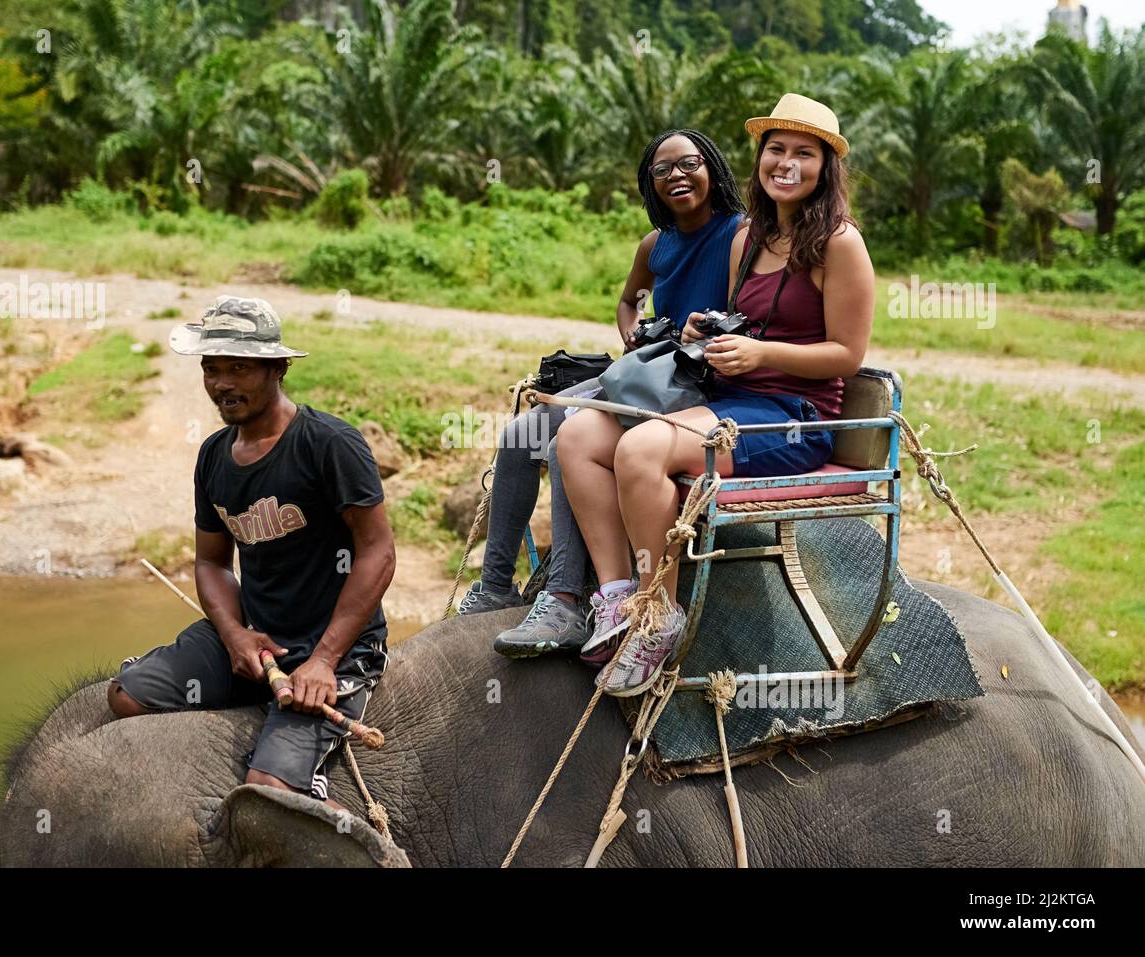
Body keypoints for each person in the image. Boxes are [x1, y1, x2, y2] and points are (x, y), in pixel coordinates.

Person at [558, 93, 875, 697]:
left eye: (803, 154)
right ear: (760, 159)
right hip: (727, 400)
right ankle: (618, 596)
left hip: (789, 419)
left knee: (641, 450)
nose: (786, 163)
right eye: (775, 150)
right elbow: (744, 322)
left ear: (826, 166)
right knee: (576, 435)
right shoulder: (748, 237)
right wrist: (712, 331)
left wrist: (764, 354)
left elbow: (847, 355)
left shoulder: (840, 242)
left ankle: (659, 616)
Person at [457, 129, 746, 662]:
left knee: (572, 430)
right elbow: (628, 301)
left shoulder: (739, 235)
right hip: (651, 372)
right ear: (649, 184)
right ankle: (494, 584)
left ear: (714, 168)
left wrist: (708, 333)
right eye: (662, 171)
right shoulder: (656, 245)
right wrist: (635, 331)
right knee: (522, 435)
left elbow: (750, 311)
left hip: (700, 386)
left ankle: (566, 595)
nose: (676, 176)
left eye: (689, 164)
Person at [108, 296, 395, 809]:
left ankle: (314, 773)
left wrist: (325, 660)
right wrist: (234, 634)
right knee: (126, 695)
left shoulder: (329, 443)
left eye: (239, 367)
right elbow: (211, 563)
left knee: (270, 794)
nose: (222, 384)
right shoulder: (214, 455)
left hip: (331, 645)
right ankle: (257, 696)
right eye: (211, 369)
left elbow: (378, 553)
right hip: (256, 634)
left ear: (277, 368)